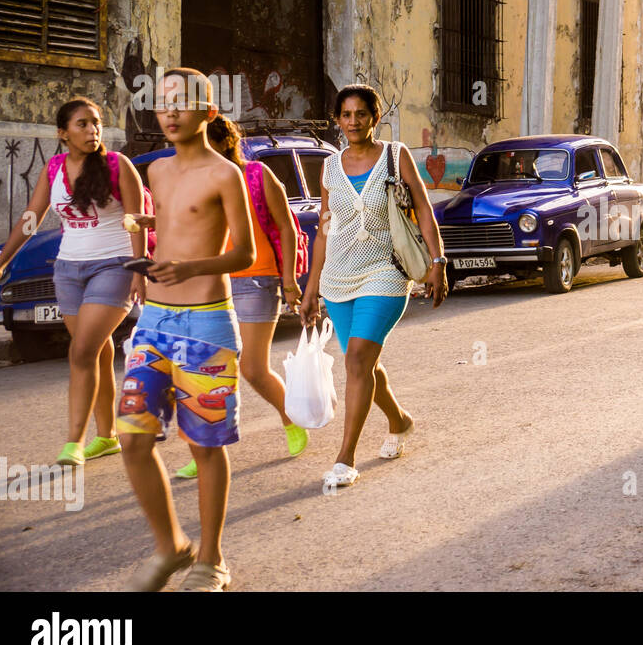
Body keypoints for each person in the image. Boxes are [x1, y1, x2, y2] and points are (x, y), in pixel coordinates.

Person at [116, 68, 255, 592]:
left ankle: (211, 559)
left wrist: (189, 268)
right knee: (132, 435)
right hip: (153, 322)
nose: (170, 112)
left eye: (184, 102)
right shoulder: (157, 173)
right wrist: (152, 234)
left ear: (210, 112)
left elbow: (243, 252)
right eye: (163, 103)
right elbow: (180, 223)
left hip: (206, 326)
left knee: (204, 445)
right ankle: (171, 544)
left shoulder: (226, 174)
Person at [0, 98, 146, 466]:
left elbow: (135, 218)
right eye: (83, 124)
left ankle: (74, 440)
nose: (93, 131)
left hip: (114, 265)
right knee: (97, 349)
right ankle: (107, 437)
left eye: (96, 123)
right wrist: (1, 263)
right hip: (69, 270)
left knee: (82, 351)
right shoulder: (54, 168)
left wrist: (138, 269)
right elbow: (31, 219)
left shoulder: (118, 166)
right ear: (63, 133)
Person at [299, 85, 448, 490]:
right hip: (337, 278)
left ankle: (345, 458)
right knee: (363, 364)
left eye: (360, 114)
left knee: (358, 360)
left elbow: (421, 207)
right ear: (337, 119)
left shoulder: (395, 155)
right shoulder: (330, 167)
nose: (353, 122)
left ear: (374, 117)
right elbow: (325, 230)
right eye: (345, 115)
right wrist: (312, 288)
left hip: (385, 271)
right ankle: (400, 421)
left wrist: (438, 262)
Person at [172, 115, 308, 481]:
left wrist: (290, 279)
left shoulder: (257, 175)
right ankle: (204, 450)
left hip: (257, 280)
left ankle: (291, 420)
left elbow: (285, 225)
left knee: (251, 368)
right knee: (203, 370)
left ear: (221, 142)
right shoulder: (195, 179)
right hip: (209, 282)